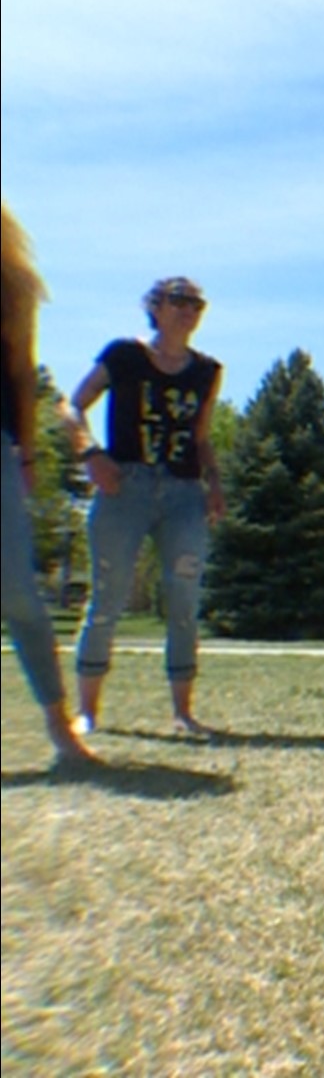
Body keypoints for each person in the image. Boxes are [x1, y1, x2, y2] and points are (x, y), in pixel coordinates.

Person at [63, 276, 226, 738]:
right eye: (179, 301)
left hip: (183, 492)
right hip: (125, 486)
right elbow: (73, 405)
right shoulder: (123, 355)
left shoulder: (207, 371)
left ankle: (183, 713)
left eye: (197, 304)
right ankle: (88, 712)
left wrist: (214, 484)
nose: (188, 311)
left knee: (183, 599)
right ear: (155, 307)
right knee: (108, 596)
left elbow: (201, 437)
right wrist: (90, 454)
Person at [1, 201, 98, 764]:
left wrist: (29, 458)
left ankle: (60, 727)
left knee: (17, 588)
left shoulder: (12, 284)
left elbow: (21, 374)